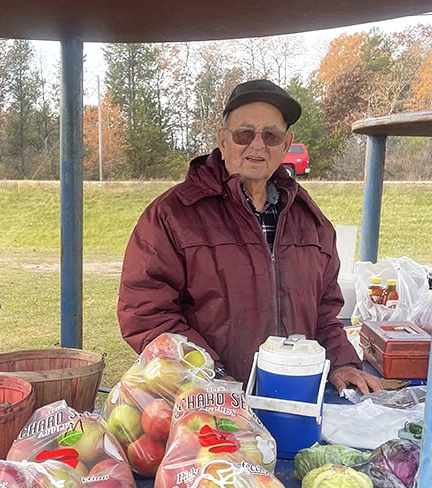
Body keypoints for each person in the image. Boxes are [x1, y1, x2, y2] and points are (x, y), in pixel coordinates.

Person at [117, 78, 382, 396]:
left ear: (286, 145)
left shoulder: (310, 220)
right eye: (245, 134)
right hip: (205, 407)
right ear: (223, 140)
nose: (257, 145)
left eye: (270, 136)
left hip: (296, 399)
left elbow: (324, 312)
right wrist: (211, 377)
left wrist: (342, 362)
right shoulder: (172, 215)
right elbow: (146, 313)